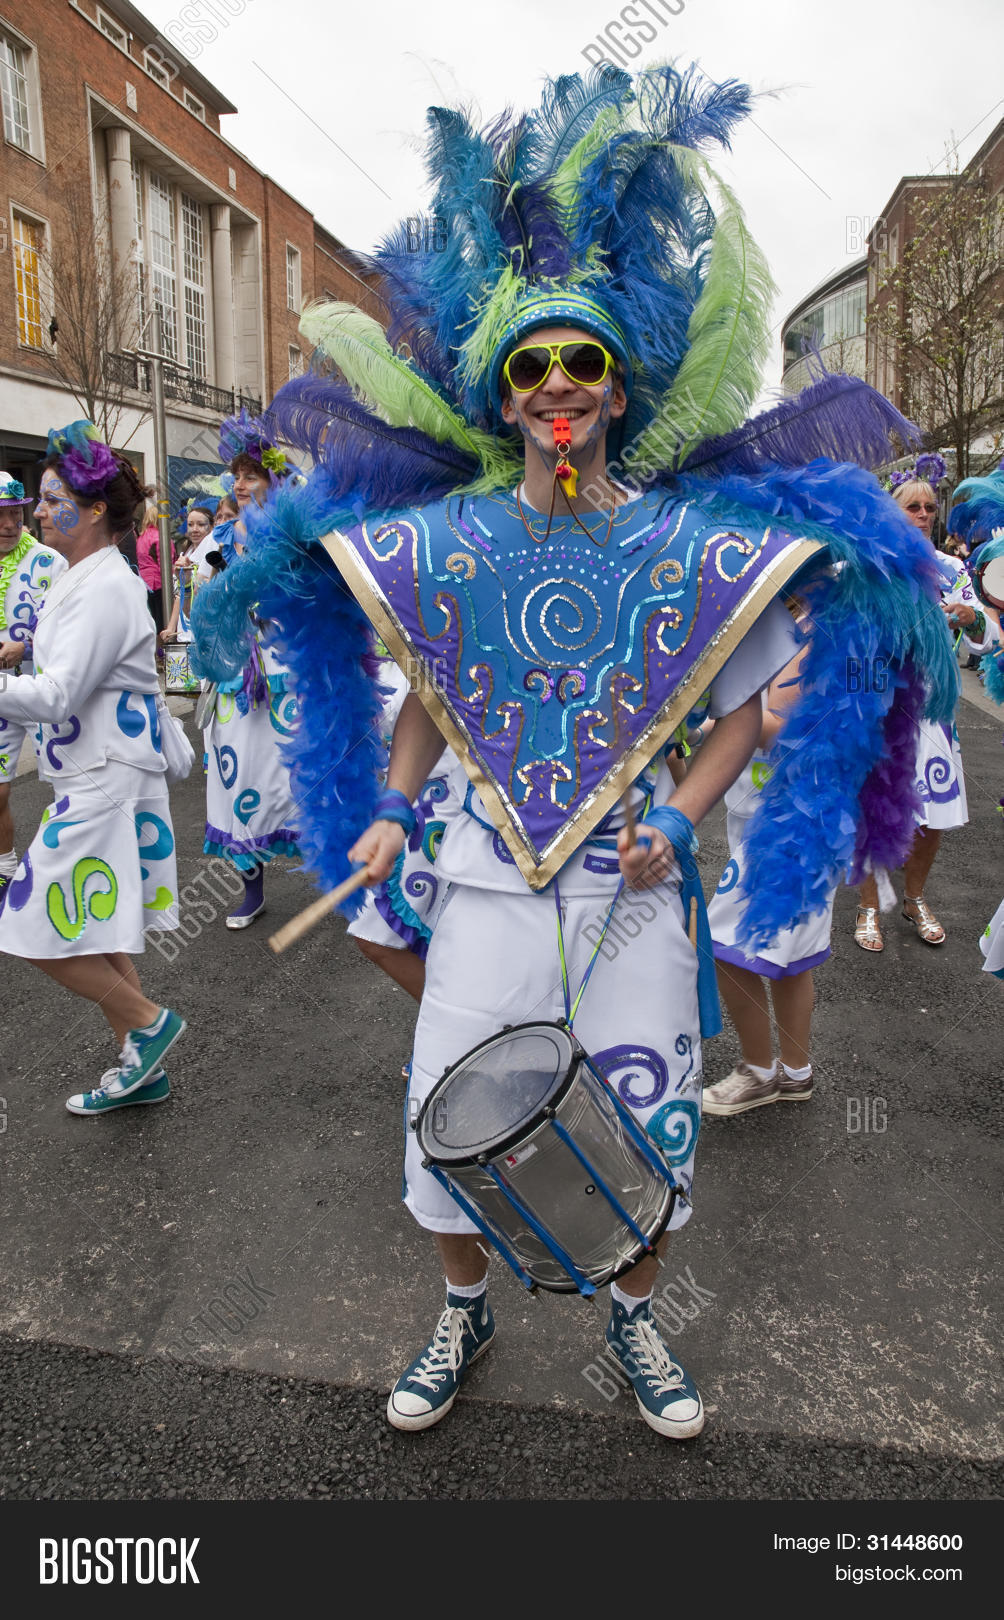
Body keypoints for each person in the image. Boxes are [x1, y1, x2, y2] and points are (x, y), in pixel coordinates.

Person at [195, 63, 956, 1439]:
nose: (555, 383)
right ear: (502, 395)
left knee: (642, 1122)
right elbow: (431, 696)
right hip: (485, 885)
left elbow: (740, 712)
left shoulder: (686, 546)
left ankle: (634, 1323)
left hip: (637, 894)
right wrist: (393, 806)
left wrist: (680, 817)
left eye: (581, 362)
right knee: (449, 1115)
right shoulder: (452, 545)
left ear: (616, 387)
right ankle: (462, 1308)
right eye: (529, 366)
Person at [0, 422, 186, 1114]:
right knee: (97, 929)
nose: (40, 513)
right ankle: (142, 1068)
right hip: (94, 772)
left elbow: (58, 695)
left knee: (29, 924)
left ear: (97, 508)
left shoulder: (107, 585)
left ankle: (149, 1024)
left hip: (105, 777)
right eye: (42, 500)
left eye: (54, 500)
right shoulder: (83, 576)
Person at [854, 463, 997, 951]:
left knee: (933, 815)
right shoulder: (871, 567)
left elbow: (987, 637)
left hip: (934, 710)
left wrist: (972, 618)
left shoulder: (951, 569)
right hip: (881, 704)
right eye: (912, 506)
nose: (923, 514)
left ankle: (914, 899)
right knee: (875, 809)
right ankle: (869, 905)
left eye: (930, 507)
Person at [703, 624, 835, 1115]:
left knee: (726, 947)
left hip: (797, 827)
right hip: (764, 816)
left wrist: (704, 723)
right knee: (788, 958)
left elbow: (803, 732)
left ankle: (758, 1070)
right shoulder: (784, 623)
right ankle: (795, 1073)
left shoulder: (836, 636)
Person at [192, 416, 300, 929]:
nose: (239, 484)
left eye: (250, 475)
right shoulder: (216, 539)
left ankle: (344, 881)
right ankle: (251, 891)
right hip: (234, 677)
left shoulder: (294, 535)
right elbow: (201, 605)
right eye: (236, 475)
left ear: (272, 480)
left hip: (285, 673)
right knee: (240, 783)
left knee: (299, 776)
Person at [0, 471, 67, 904]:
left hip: (47, 689)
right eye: (0, 516)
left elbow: (71, 628)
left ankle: (64, 869)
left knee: (67, 783)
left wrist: (24, 647)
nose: (9, 524)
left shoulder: (50, 562)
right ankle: (5, 870)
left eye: (15, 514)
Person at [159, 504, 214, 647]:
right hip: (184, 632)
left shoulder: (212, 556)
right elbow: (180, 595)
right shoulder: (186, 553)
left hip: (204, 631)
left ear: (212, 527)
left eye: (201, 524)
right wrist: (171, 627)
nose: (195, 529)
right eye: (190, 524)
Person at [136, 499, 173, 639]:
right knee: (164, 621)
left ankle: (157, 648)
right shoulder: (160, 537)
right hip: (159, 582)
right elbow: (166, 562)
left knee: (152, 620)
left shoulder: (141, 538)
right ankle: (163, 647)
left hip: (144, 582)